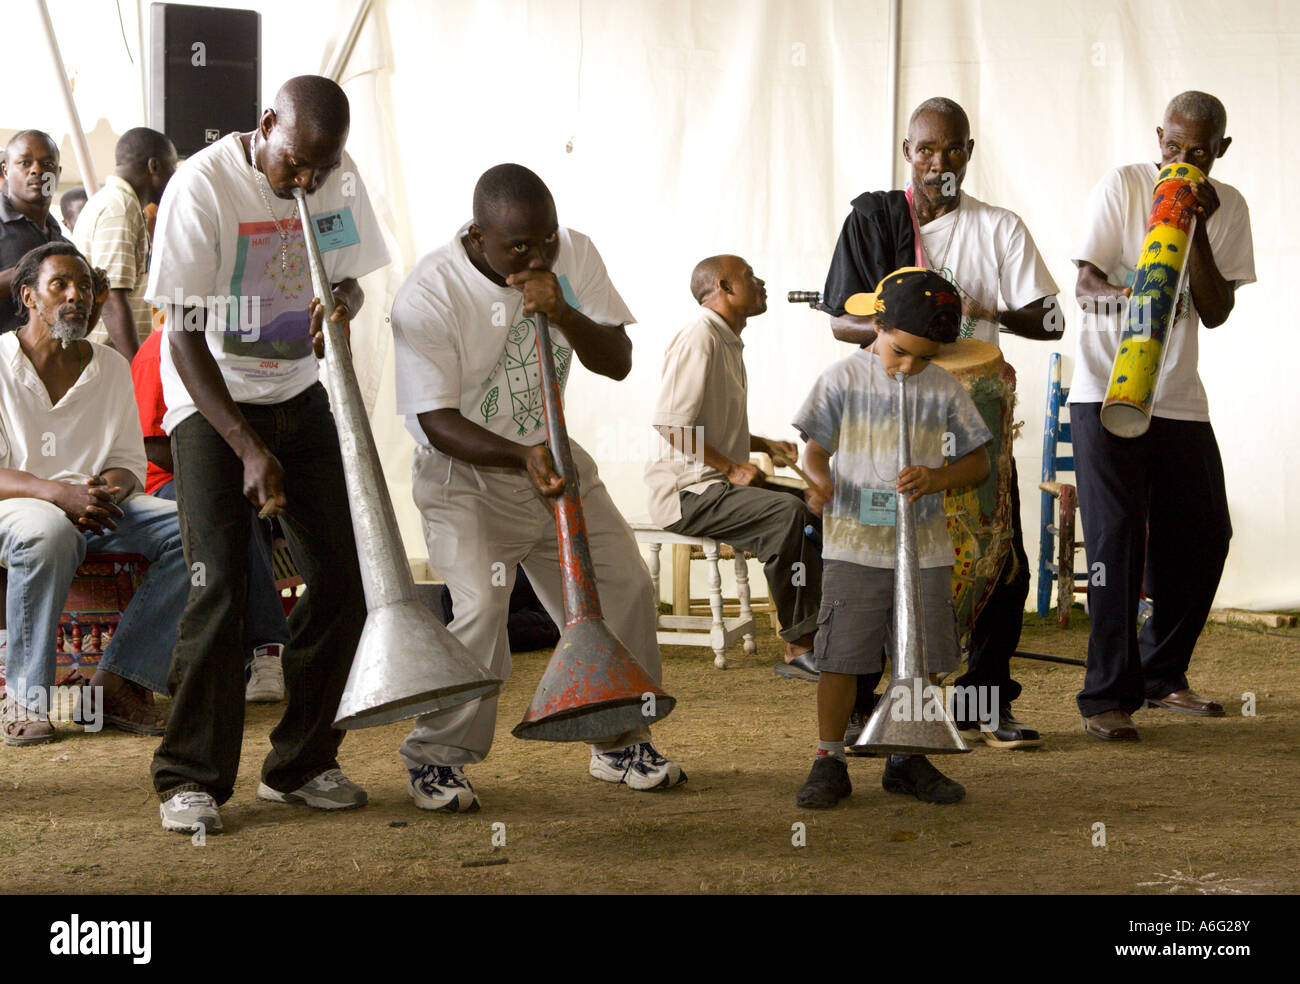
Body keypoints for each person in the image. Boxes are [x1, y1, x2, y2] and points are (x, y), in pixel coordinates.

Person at [390, 162, 686, 812]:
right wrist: (518, 455)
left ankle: (616, 737)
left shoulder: (570, 252)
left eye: (544, 240)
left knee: (624, 584)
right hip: (464, 477)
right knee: (480, 612)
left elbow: (616, 361)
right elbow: (435, 421)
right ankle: (436, 759)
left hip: (551, 460)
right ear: (479, 236)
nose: (536, 255)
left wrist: (565, 311)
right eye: (518, 247)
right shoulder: (430, 294)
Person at [145, 76, 390, 835]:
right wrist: (248, 450)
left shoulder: (335, 174)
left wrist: (339, 305)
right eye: (296, 166)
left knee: (347, 581)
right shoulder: (202, 187)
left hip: (297, 393)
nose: (308, 182)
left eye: (322, 168)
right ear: (265, 126)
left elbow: (347, 278)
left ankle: (301, 763)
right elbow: (181, 336)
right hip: (212, 401)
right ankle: (190, 778)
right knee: (218, 584)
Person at [820, 97, 1058, 750]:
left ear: (968, 153)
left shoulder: (999, 228)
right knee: (879, 560)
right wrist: (901, 323)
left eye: (952, 149)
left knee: (1000, 565)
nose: (939, 162)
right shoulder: (874, 219)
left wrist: (995, 314)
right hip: (889, 419)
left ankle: (984, 705)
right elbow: (839, 318)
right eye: (925, 149)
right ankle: (868, 706)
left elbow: (1052, 319)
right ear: (907, 153)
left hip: (972, 416)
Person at [1070, 91, 1254, 742]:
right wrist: (1128, 292)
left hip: (1176, 395)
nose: (1181, 159)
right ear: (1159, 138)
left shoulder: (1227, 208)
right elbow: (1084, 283)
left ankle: (1161, 673)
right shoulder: (1121, 186)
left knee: (1206, 534)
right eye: (1172, 148)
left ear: (1219, 151)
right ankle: (1105, 699)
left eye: (1197, 153)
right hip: (1105, 390)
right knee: (1117, 540)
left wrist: (1196, 224)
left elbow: (1216, 309)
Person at [794, 268, 991, 808]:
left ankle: (908, 756)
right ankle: (828, 757)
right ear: (877, 324)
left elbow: (977, 461)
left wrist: (938, 478)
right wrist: (820, 479)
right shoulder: (842, 379)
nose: (908, 365)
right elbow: (811, 449)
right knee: (840, 657)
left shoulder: (944, 388)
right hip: (855, 545)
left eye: (923, 358)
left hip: (925, 551)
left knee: (922, 656)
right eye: (901, 351)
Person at [0, 242, 188, 745]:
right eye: (59, 284)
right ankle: (26, 698)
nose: (75, 296)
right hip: (18, 506)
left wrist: (102, 491)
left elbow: (128, 463)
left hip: (95, 508)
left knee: (194, 530)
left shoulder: (108, 366)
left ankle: (116, 684)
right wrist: (59, 495)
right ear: (29, 297)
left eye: (84, 286)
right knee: (46, 533)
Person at [645, 254, 821, 679]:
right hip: (688, 494)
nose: (760, 282)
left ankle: (828, 630)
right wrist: (730, 467)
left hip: (714, 484)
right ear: (723, 288)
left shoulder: (725, 339)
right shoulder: (699, 337)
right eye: (749, 277)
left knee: (817, 503)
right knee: (789, 515)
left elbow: (710, 426)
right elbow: (670, 424)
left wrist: (763, 444)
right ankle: (798, 646)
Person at [130, 325, 289, 701]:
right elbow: (154, 448)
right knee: (233, 510)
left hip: (235, 473)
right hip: (168, 480)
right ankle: (266, 649)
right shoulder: (158, 349)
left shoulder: (241, 344)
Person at [73, 127, 178, 359]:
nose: (174, 178)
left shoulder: (116, 202)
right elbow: (112, 296)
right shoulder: (120, 208)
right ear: (154, 166)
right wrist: (137, 366)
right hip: (110, 360)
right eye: (172, 169)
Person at [0, 131, 70, 334]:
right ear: (6, 171)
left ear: (57, 174)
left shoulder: (62, 242)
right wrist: (22, 275)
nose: (37, 171)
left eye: (47, 164)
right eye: (24, 163)